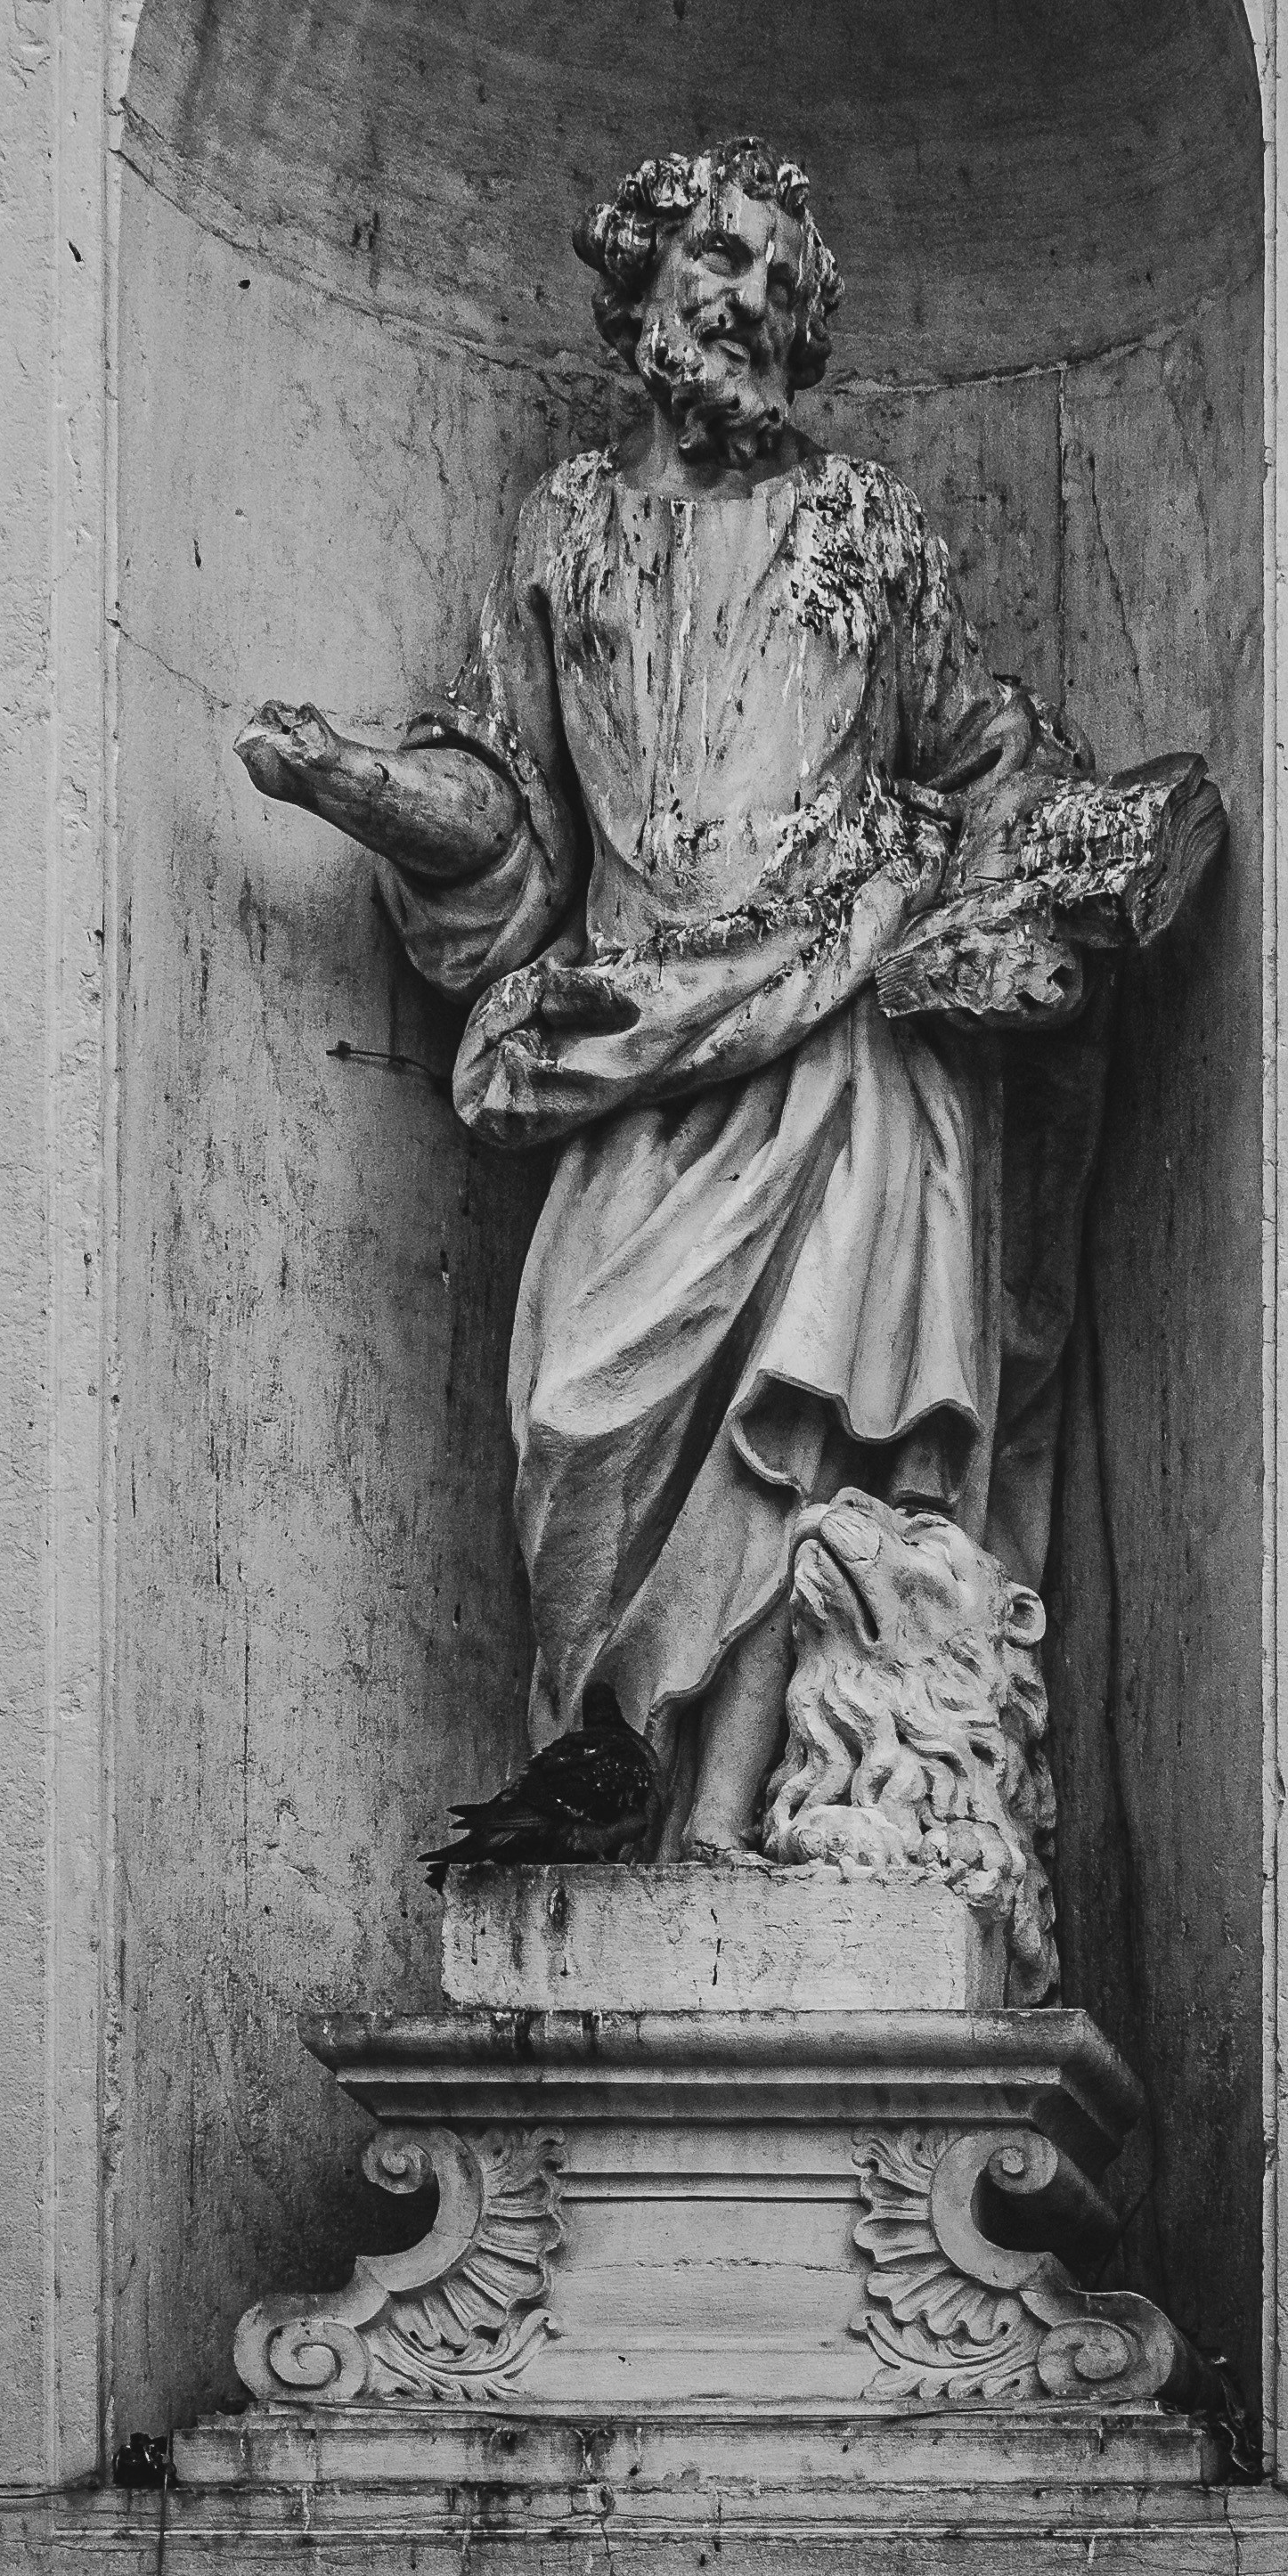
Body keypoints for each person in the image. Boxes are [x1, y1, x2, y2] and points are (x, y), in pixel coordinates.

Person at [237, 137, 1100, 1857]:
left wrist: (1050, 881)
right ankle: (603, 1781)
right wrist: (369, 790)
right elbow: (508, 819)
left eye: (785, 279)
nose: (752, 299)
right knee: (579, 1409)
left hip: (839, 1043)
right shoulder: (568, 528)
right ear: (637, 286)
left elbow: (991, 760)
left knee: (813, 1429)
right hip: (633, 1039)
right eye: (721, 256)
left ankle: (729, 1821)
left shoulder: (868, 531)